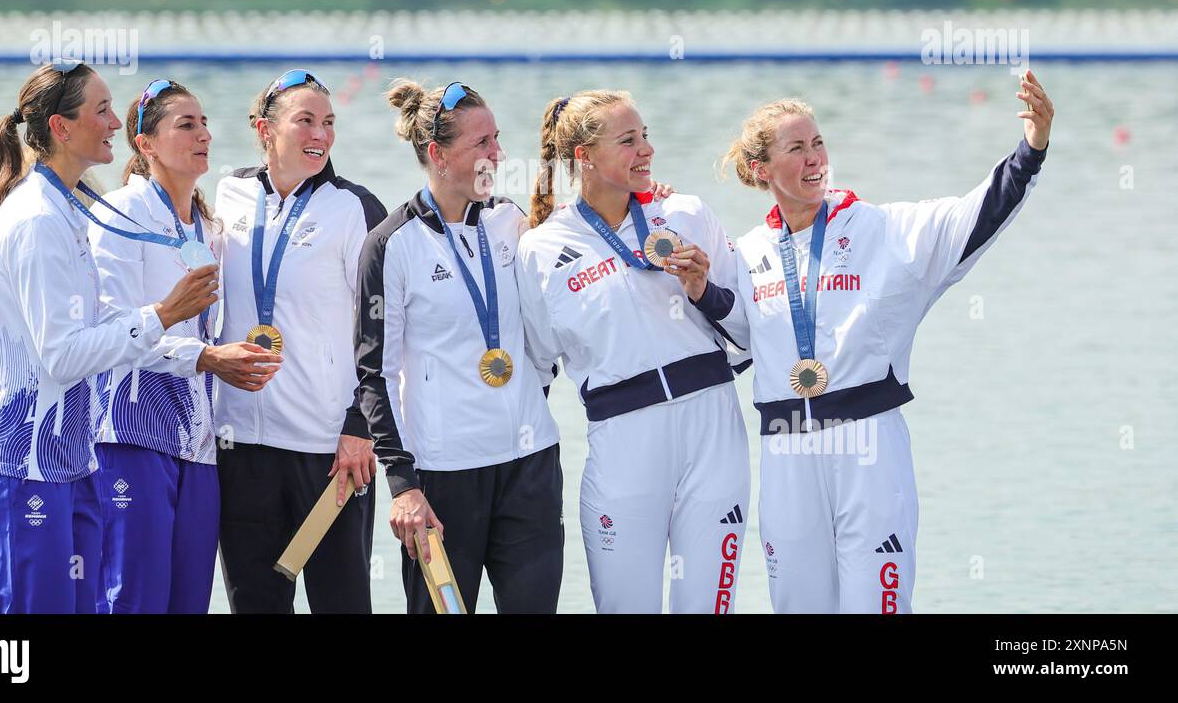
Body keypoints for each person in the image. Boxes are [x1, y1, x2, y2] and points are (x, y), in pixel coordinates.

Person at [695, 68, 1054, 613]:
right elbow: (743, 336)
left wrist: (1031, 149)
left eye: (819, 143)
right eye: (797, 148)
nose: (815, 158)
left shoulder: (882, 230)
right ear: (760, 168)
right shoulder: (748, 253)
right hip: (785, 448)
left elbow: (975, 216)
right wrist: (700, 289)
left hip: (867, 443)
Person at [0, 60, 217, 613]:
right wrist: (162, 315)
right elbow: (63, 356)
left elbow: (67, 345)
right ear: (62, 129)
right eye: (102, 110)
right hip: (25, 466)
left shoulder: (69, 206)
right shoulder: (39, 218)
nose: (117, 121)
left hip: (68, 461)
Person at [515, 89, 752, 614]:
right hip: (623, 441)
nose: (646, 149)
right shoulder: (540, 248)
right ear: (585, 156)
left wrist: (704, 293)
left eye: (645, 135)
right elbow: (535, 369)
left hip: (713, 431)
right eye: (628, 141)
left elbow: (751, 334)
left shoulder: (685, 212)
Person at [351, 80, 563, 613]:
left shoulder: (513, 221)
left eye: (497, 139)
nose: (498, 154)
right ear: (438, 156)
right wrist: (402, 485)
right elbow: (372, 376)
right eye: (482, 143)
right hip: (442, 479)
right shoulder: (389, 244)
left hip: (529, 462)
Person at [89, 78, 281, 613]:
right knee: (133, 597)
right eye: (186, 125)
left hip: (197, 442)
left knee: (188, 601)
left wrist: (226, 355)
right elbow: (111, 330)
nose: (204, 135)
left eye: (205, 124)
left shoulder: (208, 226)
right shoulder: (119, 215)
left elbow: (209, 333)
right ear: (145, 144)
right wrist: (205, 358)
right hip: (131, 435)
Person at [212, 69, 386, 613]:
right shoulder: (227, 192)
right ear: (265, 129)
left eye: (329, 122)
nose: (321, 134)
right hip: (241, 447)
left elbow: (385, 330)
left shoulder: (355, 208)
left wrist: (361, 428)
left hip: (329, 452)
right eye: (305, 120)